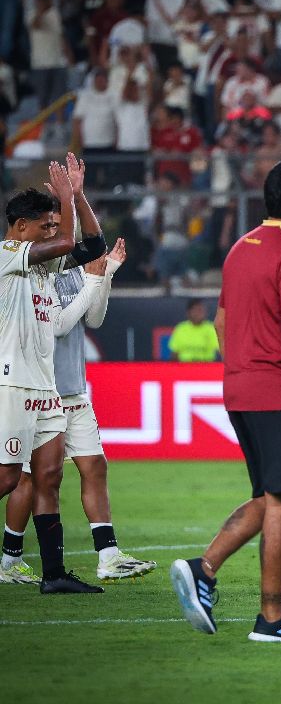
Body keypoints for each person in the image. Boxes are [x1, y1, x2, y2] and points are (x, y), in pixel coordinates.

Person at [170, 137, 281, 643]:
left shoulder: (241, 247)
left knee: (273, 496)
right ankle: (268, 616)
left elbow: (222, 324)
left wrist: (245, 367)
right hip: (279, 393)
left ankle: (206, 573)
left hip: (239, 391)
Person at [2, 236, 157, 585]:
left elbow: (95, 318)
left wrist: (105, 276)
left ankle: (108, 555)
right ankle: (10, 558)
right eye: (54, 225)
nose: (62, 232)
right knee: (28, 478)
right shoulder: (40, 270)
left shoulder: (73, 271)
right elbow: (58, 325)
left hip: (74, 388)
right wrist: (93, 280)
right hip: (43, 390)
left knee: (94, 466)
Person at [0, 156, 108, 593]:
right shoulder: (9, 256)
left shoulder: (42, 264)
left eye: (53, 224)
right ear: (21, 226)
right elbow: (67, 244)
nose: (54, 232)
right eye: (45, 225)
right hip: (13, 381)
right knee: (8, 477)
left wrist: (77, 196)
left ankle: (54, 575)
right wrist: (64, 197)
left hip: (44, 386)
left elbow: (93, 247)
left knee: (48, 475)